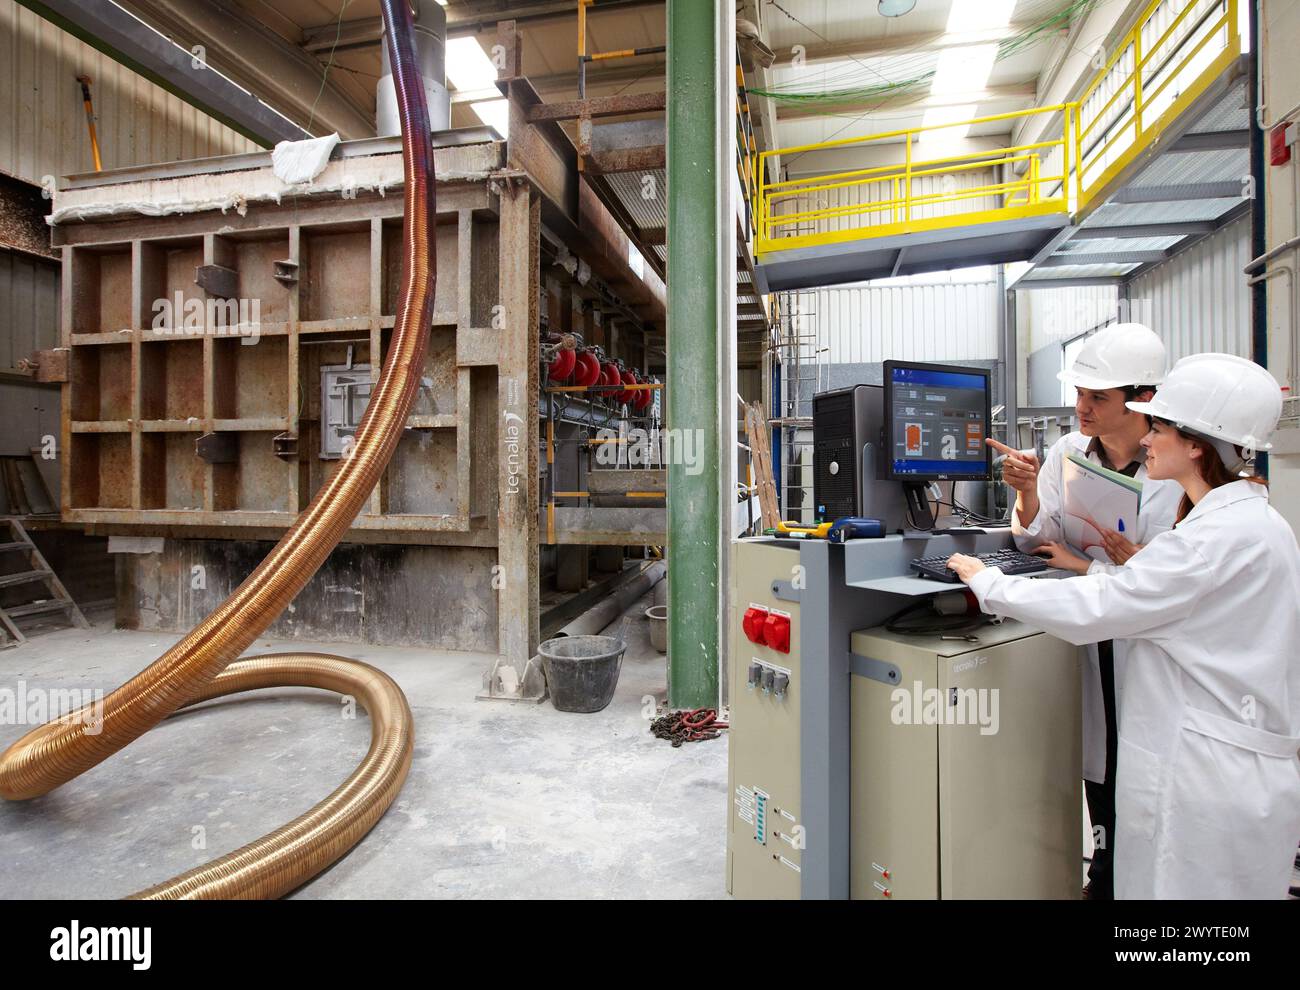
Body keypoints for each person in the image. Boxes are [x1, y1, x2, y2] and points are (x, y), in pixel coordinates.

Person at [949, 353, 1300, 899]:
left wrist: (988, 582)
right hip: (1226, 765)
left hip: (1202, 778)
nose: (1148, 440)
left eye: (1158, 427)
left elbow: (1102, 603)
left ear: (1197, 446)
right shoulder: (1257, 522)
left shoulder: (1209, 542)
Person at [987, 322, 1182, 899]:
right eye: (1079, 395)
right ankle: (1105, 872)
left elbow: (1160, 584)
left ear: (1142, 401)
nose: (1082, 408)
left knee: (1137, 780)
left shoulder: (1169, 476)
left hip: (1139, 646)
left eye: (1098, 397)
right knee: (1100, 779)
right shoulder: (1067, 453)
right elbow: (1035, 540)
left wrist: (1093, 566)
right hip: (1084, 635)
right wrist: (1026, 493)